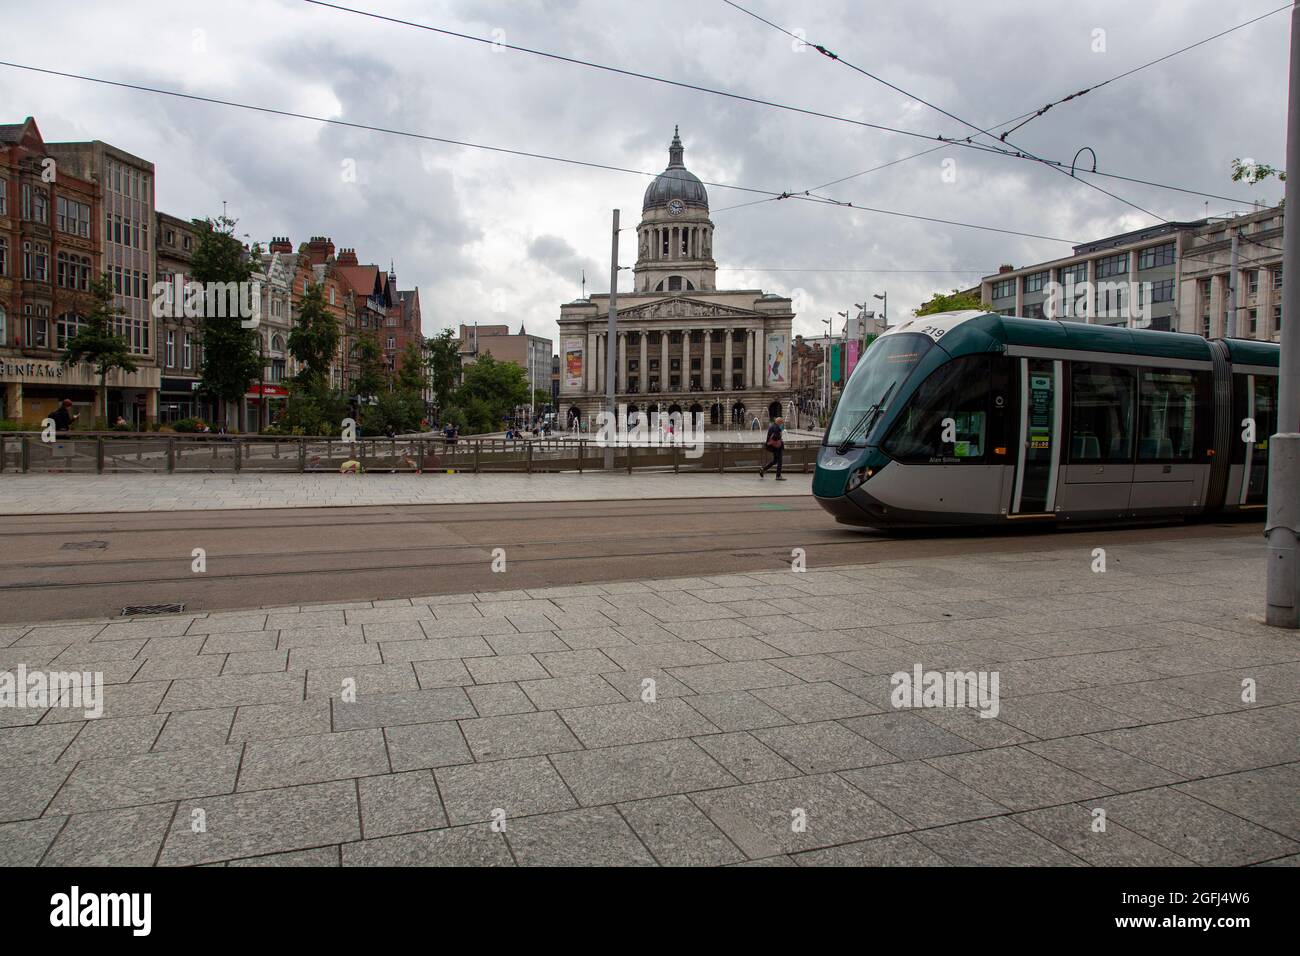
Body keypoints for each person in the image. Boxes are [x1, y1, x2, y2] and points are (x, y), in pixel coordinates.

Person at [759, 416, 786, 480]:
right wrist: (780, 436)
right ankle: (778, 476)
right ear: (779, 422)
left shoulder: (772, 426)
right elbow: (775, 437)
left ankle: (763, 469)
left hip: (772, 446)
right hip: (777, 447)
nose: (782, 424)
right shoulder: (776, 428)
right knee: (780, 461)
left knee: (775, 460)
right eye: (781, 423)